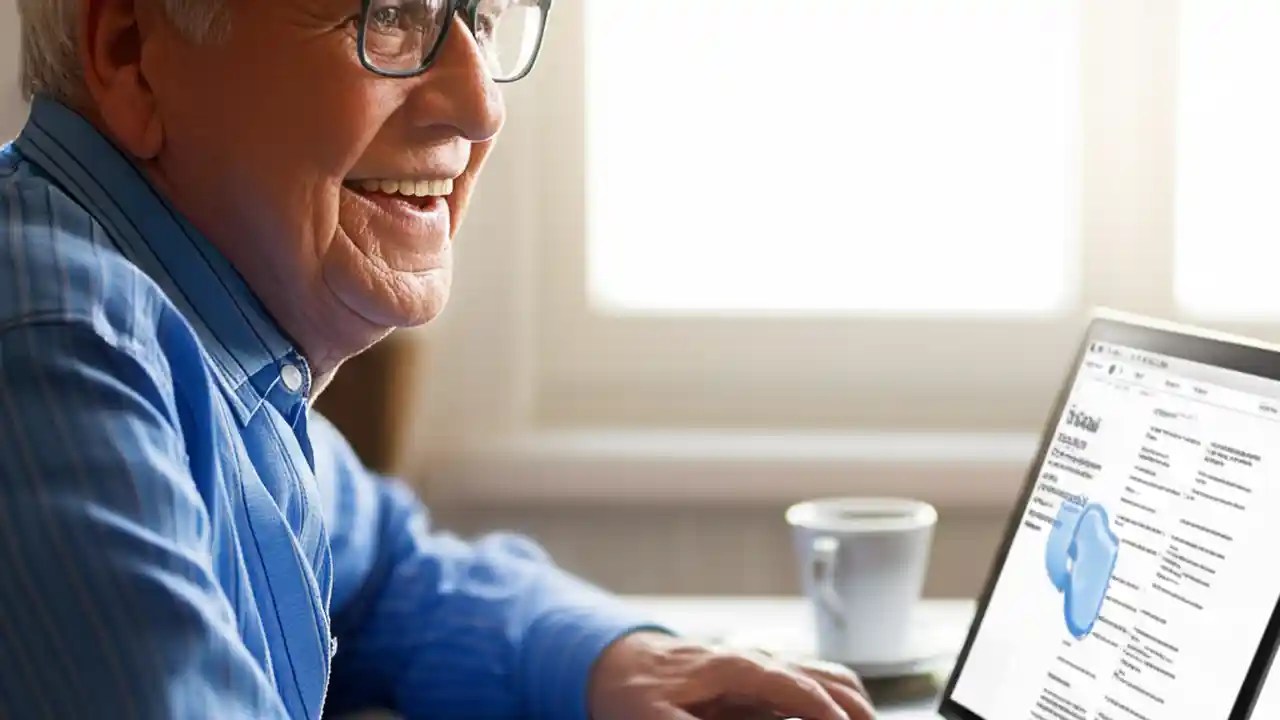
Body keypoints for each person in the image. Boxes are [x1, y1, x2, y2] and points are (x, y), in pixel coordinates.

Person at [0, 1, 877, 718]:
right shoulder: (62, 343)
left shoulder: (202, 336)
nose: (481, 106)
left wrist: (615, 661)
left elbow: (387, 573)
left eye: (482, 19)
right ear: (130, 55)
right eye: (390, 15)